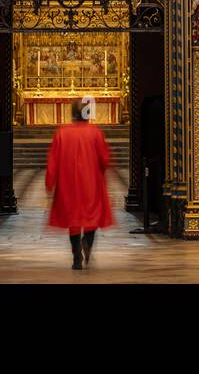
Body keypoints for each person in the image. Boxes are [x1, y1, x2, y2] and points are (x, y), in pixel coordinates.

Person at [45, 96, 114, 270]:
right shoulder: (95, 132)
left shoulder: (61, 132)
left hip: (68, 182)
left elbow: (53, 160)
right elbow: (105, 159)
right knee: (91, 215)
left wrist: (50, 182)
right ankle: (87, 243)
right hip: (91, 181)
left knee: (73, 218)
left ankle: (76, 257)